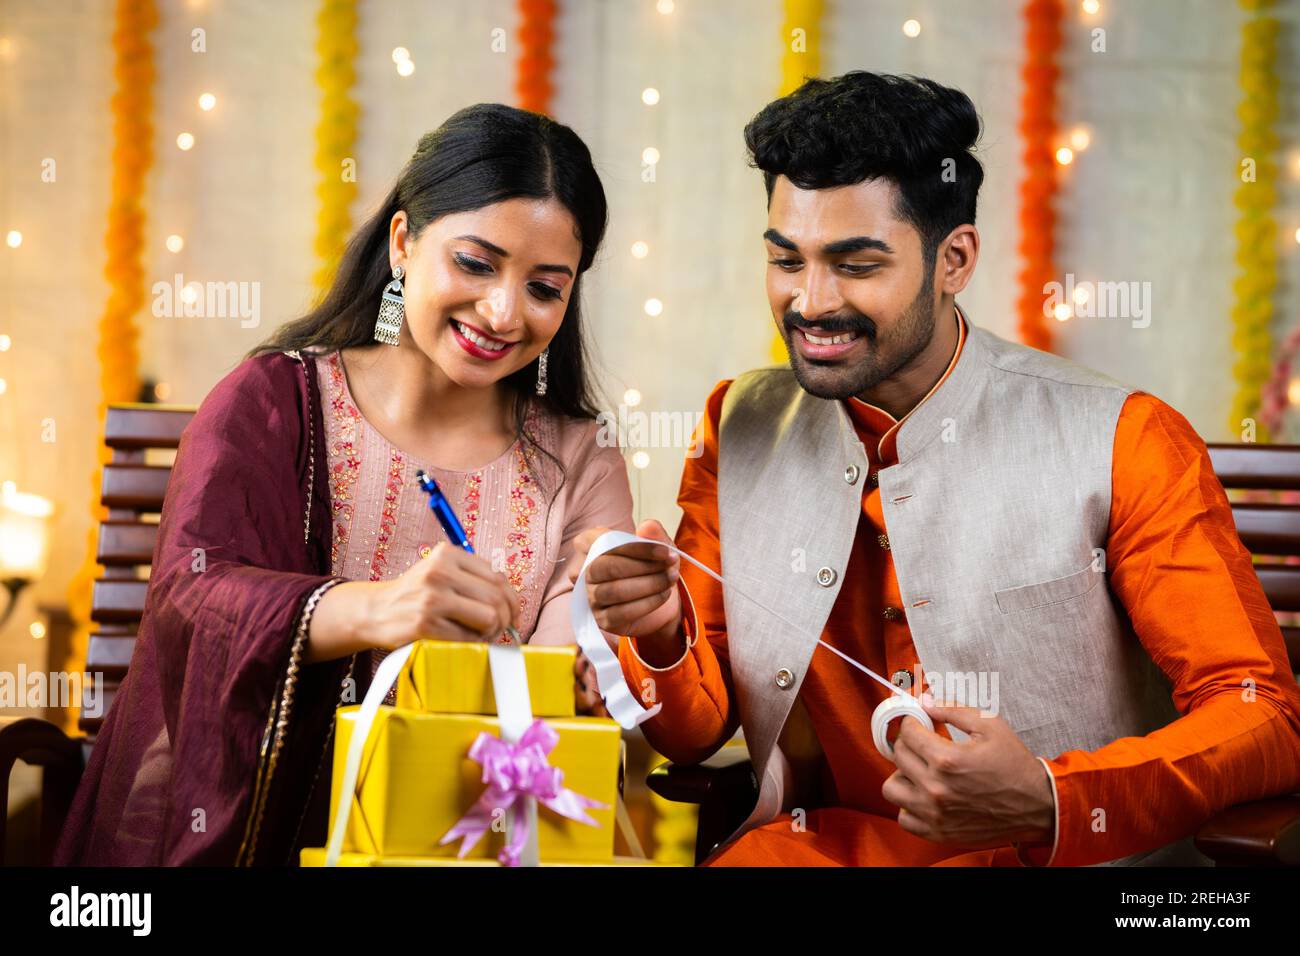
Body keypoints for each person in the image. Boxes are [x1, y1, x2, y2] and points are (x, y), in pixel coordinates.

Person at [574, 71, 1300, 867]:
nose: (810, 302)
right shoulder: (739, 423)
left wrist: (1053, 798)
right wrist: (659, 634)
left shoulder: (1124, 437)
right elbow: (696, 731)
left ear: (954, 259)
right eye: (787, 260)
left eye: (855, 265)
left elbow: (1261, 712)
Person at [55, 103, 633, 866]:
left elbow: (558, 705)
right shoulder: (273, 402)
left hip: (461, 840)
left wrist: (621, 639)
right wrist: (373, 607)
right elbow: (191, 600)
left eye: (544, 288)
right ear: (403, 243)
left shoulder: (580, 457)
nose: (503, 311)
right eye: (475, 263)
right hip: (257, 833)